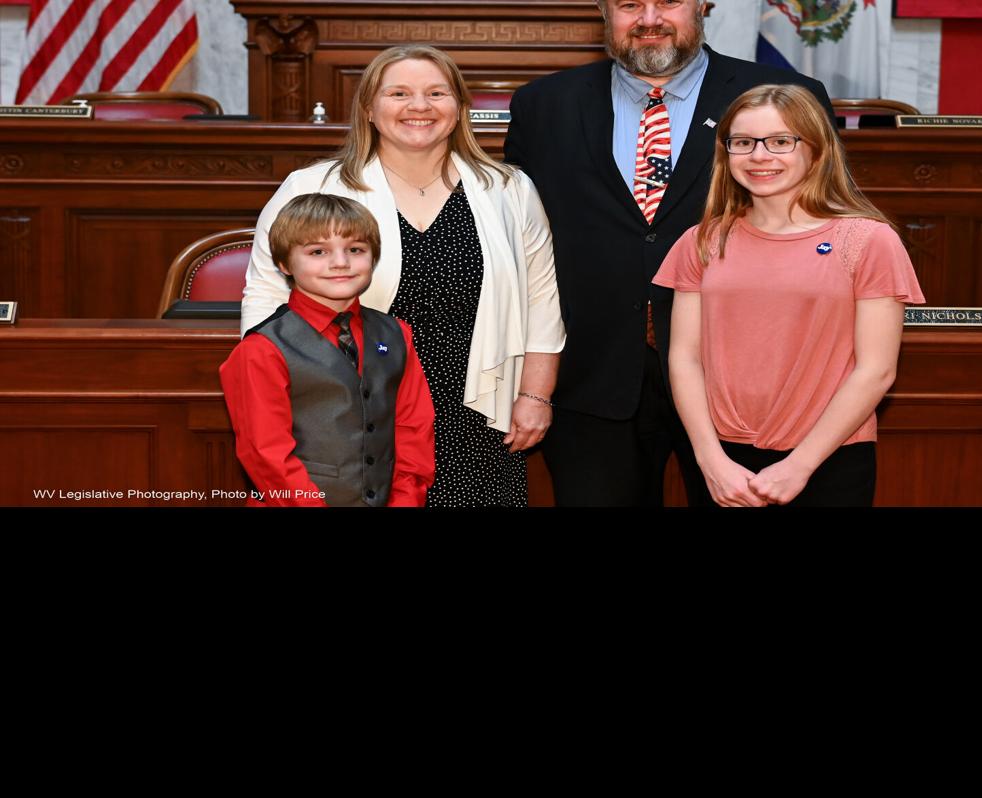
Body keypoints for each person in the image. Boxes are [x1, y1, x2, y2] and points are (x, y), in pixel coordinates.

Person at [504, 0, 834, 506]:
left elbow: (818, 229)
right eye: (630, 4)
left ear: (705, 4)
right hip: (592, 382)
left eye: (669, 1)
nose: (650, 18)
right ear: (602, 9)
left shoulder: (785, 98)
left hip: (742, 382)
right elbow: (523, 243)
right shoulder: (543, 104)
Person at [242, 44, 566, 507]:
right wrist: (286, 393)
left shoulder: (508, 189)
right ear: (370, 108)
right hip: (351, 405)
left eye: (437, 93)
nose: (419, 107)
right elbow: (266, 293)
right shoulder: (314, 185)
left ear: (458, 110)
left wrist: (536, 395)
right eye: (399, 93)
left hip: (476, 404)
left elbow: (541, 298)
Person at [653, 84, 925, 506]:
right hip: (723, 463)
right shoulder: (703, 240)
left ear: (816, 150)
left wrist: (799, 465)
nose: (760, 156)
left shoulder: (868, 241)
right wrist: (710, 460)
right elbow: (684, 358)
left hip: (827, 456)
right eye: (743, 142)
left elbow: (876, 371)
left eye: (781, 141)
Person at [222, 193, 435, 507]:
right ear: (284, 263)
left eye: (355, 249)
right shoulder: (262, 349)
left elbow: (413, 429)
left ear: (373, 257)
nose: (340, 262)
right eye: (318, 251)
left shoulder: (396, 334)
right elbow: (267, 455)